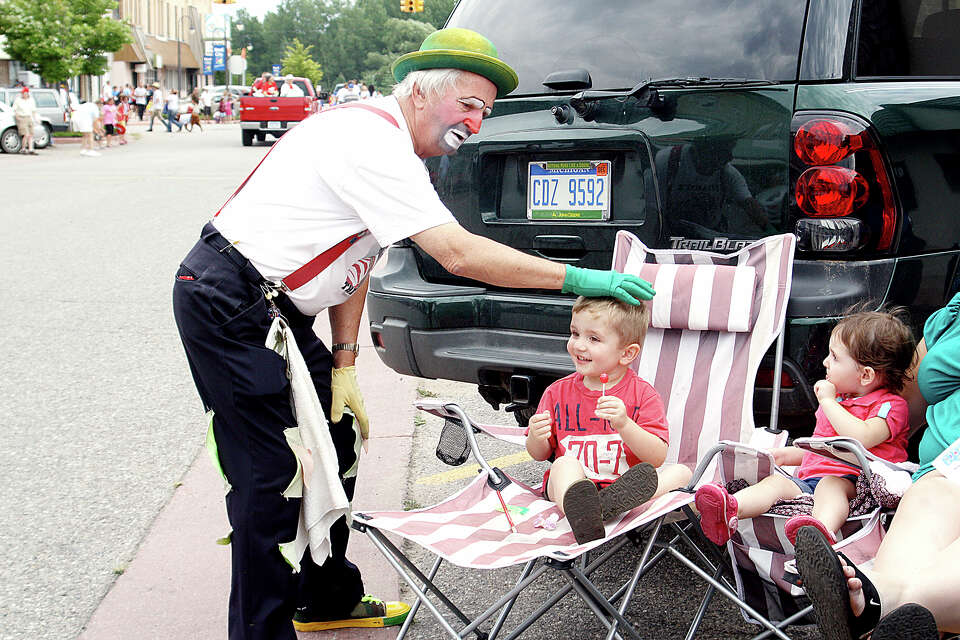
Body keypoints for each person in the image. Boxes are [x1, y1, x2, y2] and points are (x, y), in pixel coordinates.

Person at [171, 27, 655, 640]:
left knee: (337, 439)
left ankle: (325, 598)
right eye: (471, 107)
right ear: (424, 94)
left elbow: (357, 262)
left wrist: (344, 362)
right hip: (229, 302)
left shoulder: (398, 149)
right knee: (267, 474)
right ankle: (259, 630)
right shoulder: (368, 140)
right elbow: (456, 255)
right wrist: (580, 277)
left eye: (485, 112)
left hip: (276, 310)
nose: (477, 126)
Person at [795, 292, 960, 640]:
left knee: (902, 600)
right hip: (947, 466)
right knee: (924, 512)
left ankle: (878, 605)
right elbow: (905, 401)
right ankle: (879, 602)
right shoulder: (955, 313)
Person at [696, 309, 916, 547]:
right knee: (775, 484)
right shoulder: (840, 401)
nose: (825, 362)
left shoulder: (890, 407)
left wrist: (829, 402)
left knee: (830, 485)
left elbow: (861, 437)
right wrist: (787, 455)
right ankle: (729, 510)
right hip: (811, 481)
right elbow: (822, 447)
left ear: (865, 375)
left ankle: (819, 536)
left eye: (834, 357)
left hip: (856, 484)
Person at [525, 296, 692, 544]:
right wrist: (536, 437)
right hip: (573, 486)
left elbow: (656, 457)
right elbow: (539, 454)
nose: (579, 345)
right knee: (563, 465)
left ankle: (602, 508)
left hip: (625, 488)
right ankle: (582, 511)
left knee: (683, 473)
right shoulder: (556, 392)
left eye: (593, 339)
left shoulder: (642, 394)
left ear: (627, 354)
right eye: (575, 333)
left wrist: (625, 425)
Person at [12, 86, 38, 155]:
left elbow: (34, 110)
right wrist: (17, 117)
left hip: (29, 117)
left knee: (31, 134)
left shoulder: (31, 100)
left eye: (25, 93)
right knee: (25, 134)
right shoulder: (18, 100)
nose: (23, 94)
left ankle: (31, 149)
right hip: (22, 117)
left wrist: (35, 119)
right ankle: (23, 148)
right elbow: (14, 109)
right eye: (23, 93)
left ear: (27, 93)